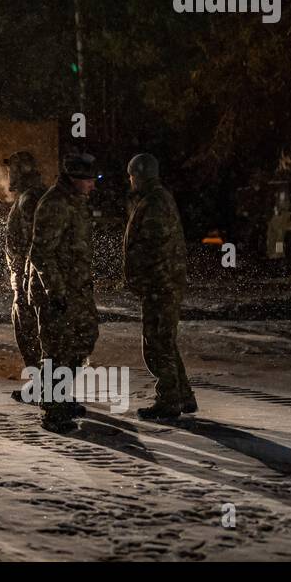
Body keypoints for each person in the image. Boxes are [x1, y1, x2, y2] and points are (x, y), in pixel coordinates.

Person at [25, 153, 100, 433]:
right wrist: (55, 292)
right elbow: (41, 253)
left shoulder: (76, 202)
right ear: (75, 179)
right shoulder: (55, 203)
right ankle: (54, 409)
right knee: (58, 349)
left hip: (76, 289)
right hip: (56, 292)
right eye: (89, 180)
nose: (93, 185)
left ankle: (62, 397)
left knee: (83, 340)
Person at [123, 153, 195, 419]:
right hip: (163, 282)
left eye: (131, 176)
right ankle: (183, 395)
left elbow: (152, 248)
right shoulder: (156, 198)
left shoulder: (153, 202)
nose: (130, 181)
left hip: (160, 284)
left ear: (139, 175)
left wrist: (144, 279)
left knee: (156, 343)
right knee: (165, 340)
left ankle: (169, 400)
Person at [3, 151, 45, 399]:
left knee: (31, 335)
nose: (9, 176)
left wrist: (26, 279)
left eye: (12, 171)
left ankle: (45, 388)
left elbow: (33, 244)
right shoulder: (32, 196)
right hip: (28, 280)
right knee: (34, 334)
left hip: (29, 282)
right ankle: (45, 386)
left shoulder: (29, 199)